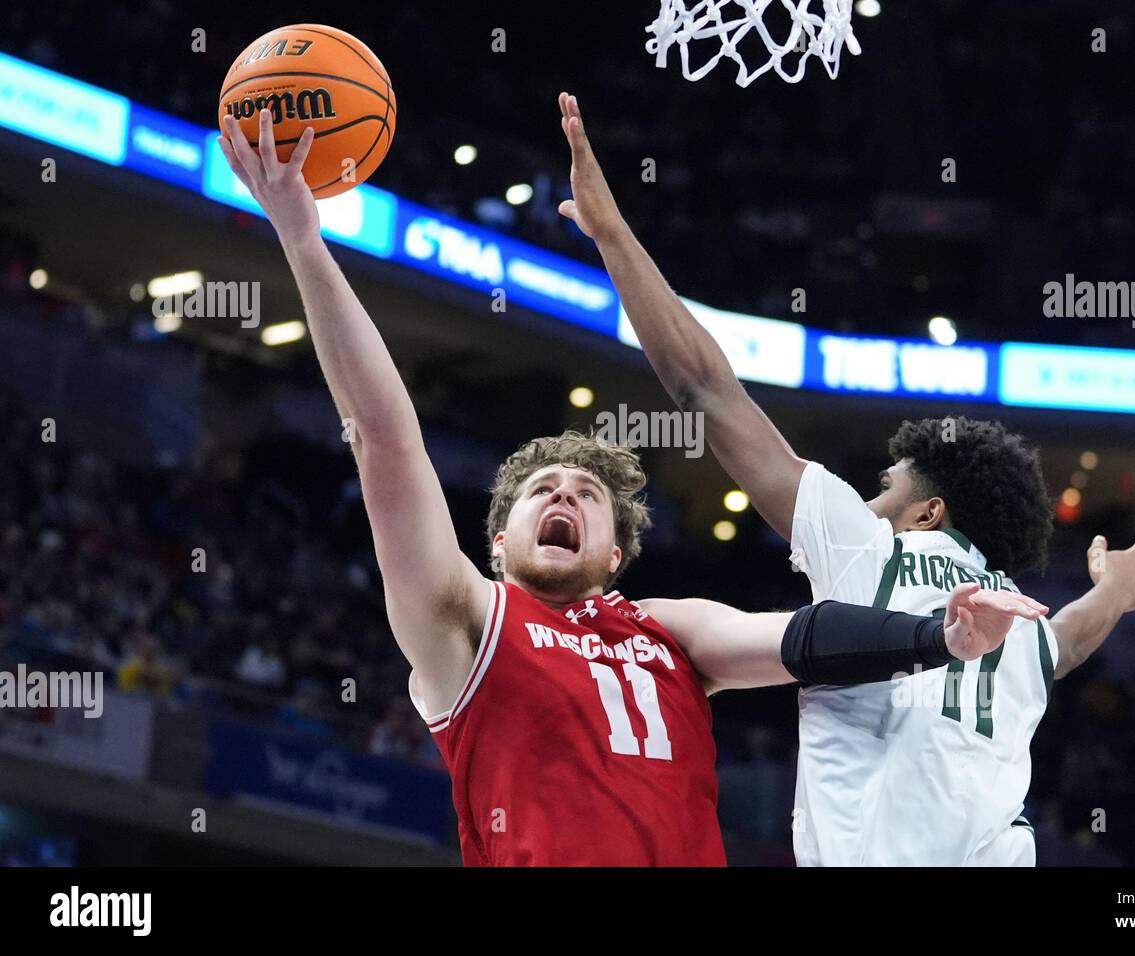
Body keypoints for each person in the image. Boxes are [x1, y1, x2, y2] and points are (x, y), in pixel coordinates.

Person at [218, 110, 1046, 866]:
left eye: (587, 493)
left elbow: (802, 642)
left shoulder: (666, 632)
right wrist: (302, 238)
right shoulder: (465, 619)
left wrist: (936, 639)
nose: (566, 496)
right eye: (543, 490)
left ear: (616, 552)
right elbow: (386, 438)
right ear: (497, 541)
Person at [555, 91, 1135, 866]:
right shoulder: (1021, 630)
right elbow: (1071, 640)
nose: (866, 498)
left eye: (884, 486)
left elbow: (707, 391)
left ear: (926, 513)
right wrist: (1116, 590)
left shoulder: (868, 549)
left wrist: (612, 235)